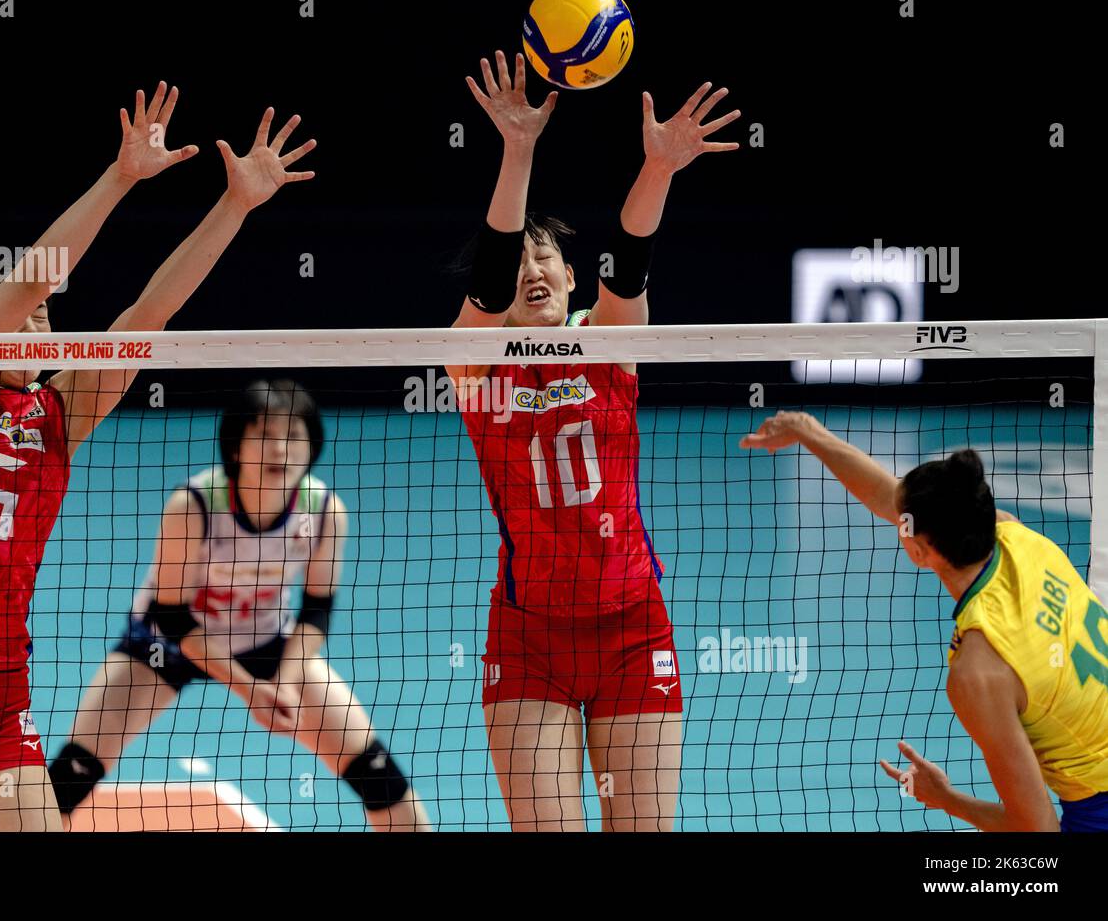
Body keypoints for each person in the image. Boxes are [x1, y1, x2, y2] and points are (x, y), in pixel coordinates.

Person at [0, 82, 316, 831]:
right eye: (27, 316)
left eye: (51, 319)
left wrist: (234, 206)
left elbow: (148, 315)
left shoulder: (57, 417)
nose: (42, 324)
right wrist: (119, 178)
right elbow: (32, 275)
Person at [450, 51, 740, 830]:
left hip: (631, 626)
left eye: (544, 259)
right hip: (530, 635)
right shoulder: (472, 366)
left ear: (571, 278)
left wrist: (660, 168)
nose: (529, 271)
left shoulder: (609, 344)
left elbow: (632, 268)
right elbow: (484, 281)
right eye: (517, 266)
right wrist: (517, 151)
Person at [48, 380, 431, 830]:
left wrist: (284, 681)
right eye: (264, 435)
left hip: (268, 644)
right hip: (164, 646)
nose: (279, 451)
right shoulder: (193, 506)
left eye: (293, 437)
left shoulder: (324, 511)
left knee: (378, 774)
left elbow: (316, 610)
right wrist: (249, 688)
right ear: (235, 447)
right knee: (69, 776)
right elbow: (170, 615)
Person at [740, 410, 1108, 831]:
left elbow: (1037, 828)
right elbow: (888, 495)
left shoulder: (978, 671)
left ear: (916, 552)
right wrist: (811, 434)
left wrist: (945, 799)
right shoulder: (1014, 535)